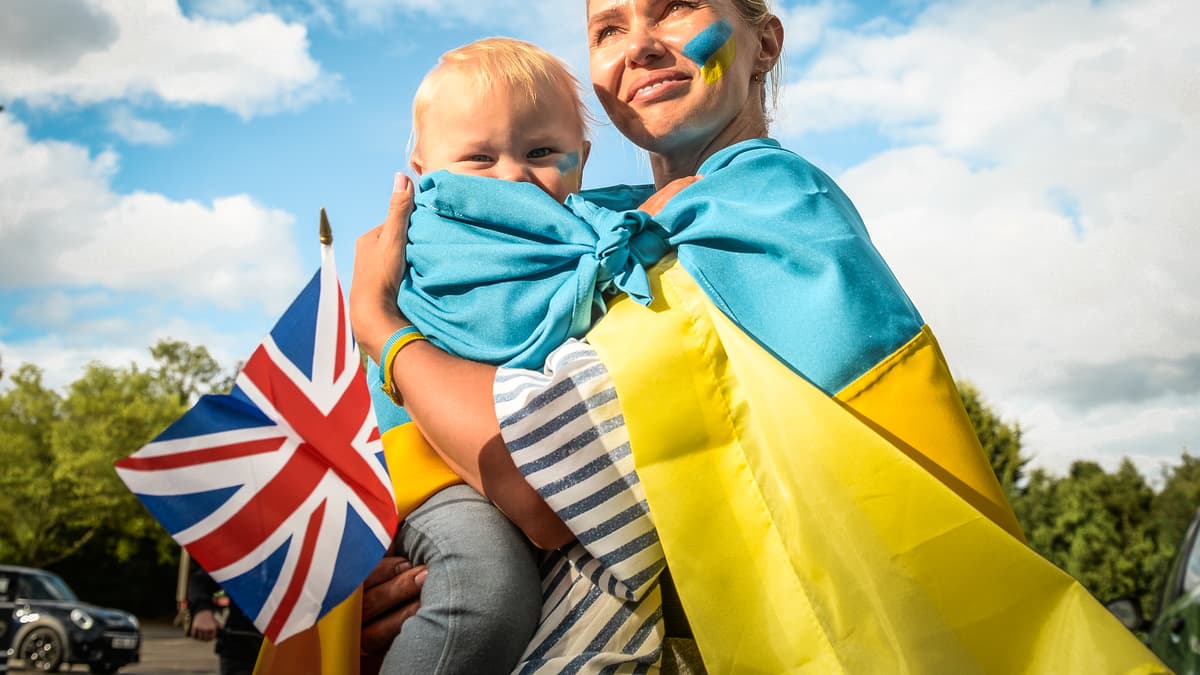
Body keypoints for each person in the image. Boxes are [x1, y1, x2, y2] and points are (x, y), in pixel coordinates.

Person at [352, 0, 1166, 672]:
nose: (640, 47)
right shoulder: (600, 232)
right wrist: (412, 588)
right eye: (608, 29)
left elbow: (536, 485)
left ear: (764, 40)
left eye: (675, 10)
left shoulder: (753, 217)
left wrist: (381, 326)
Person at [364, 37, 596, 675]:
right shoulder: (431, 238)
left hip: (525, 461)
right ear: (423, 164)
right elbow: (500, 339)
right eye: (478, 158)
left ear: (583, 160)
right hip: (435, 467)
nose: (512, 177)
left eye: (541, 152)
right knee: (483, 593)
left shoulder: (581, 227)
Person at [187, 564, 264, 675]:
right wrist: (202, 610)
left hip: (290, 653)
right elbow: (201, 580)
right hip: (243, 647)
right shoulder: (255, 553)